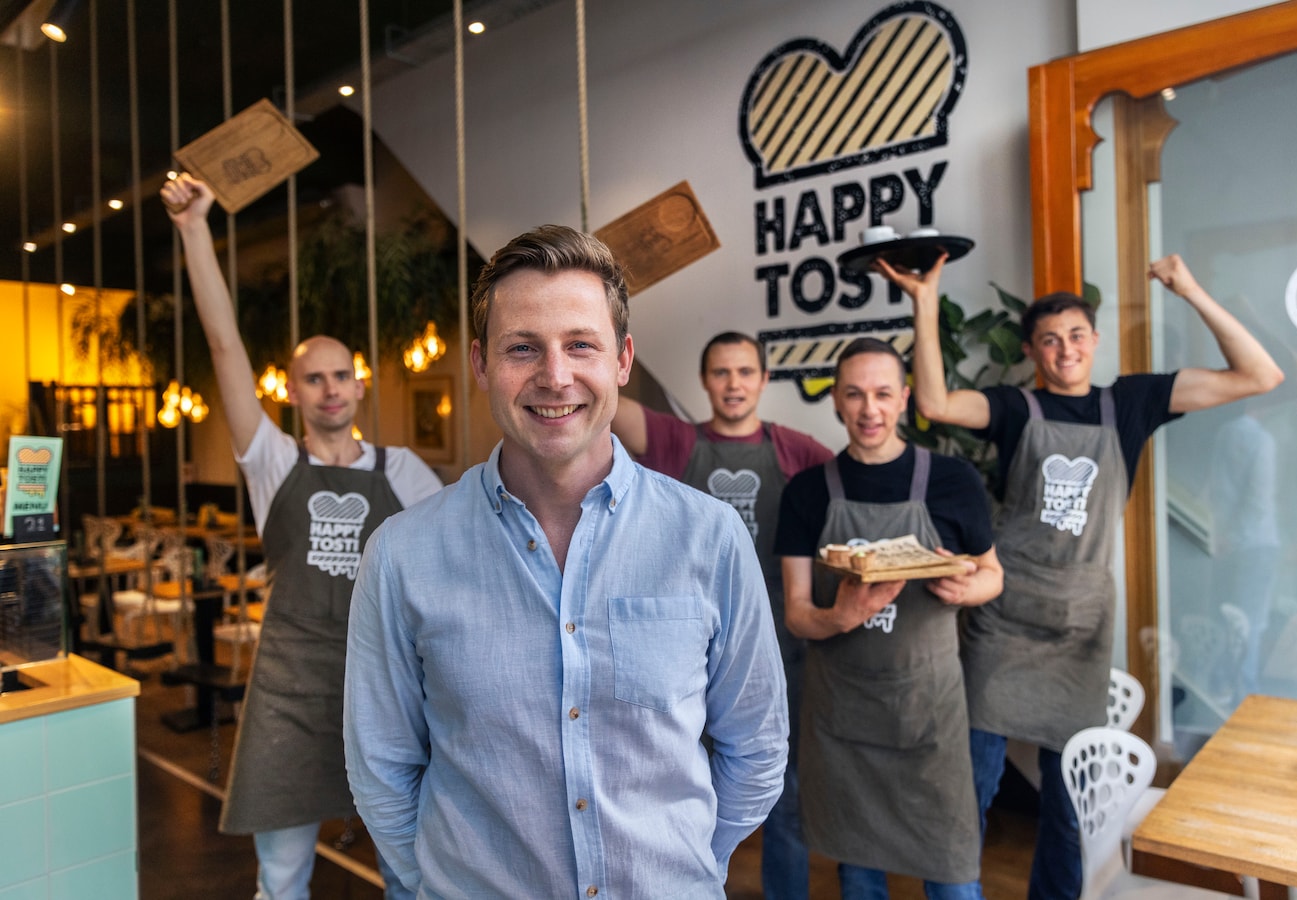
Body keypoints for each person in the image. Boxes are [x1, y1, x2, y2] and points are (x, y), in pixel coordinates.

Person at [343, 224, 789, 898]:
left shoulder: (710, 537)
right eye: (522, 348)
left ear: (621, 360)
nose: (555, 376)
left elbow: (754, 749)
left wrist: (685, 865)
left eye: (580, 344)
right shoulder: (402, 555)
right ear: (480, 364)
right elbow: (382, 764)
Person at [891, 250, 1283, 900]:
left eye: (1075, 336)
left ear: (1093, 341)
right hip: (1003, 619)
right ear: (1031, 351)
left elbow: (1259, 374)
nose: (1064, 349)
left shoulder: (1129, 402)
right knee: (972, 787)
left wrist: (1188, 288)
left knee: (1070, 798)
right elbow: (932, 403)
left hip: (1080, 627)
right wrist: (925, 299)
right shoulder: (1015, 408)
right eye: (1049, 340)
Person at [160, 173, 443, 900]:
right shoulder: (272, 461)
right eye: (313, 378)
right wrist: (195, 227)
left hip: (383, 686)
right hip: (289, 686)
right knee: (282, 878)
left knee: (411, 871)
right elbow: (224, 348)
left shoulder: (404, 471)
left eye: (341, 375)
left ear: (359, 384)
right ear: (292, 392)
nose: (329, 389)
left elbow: (449, 565)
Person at [775, 337, 1004, 899]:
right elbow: (799, 615)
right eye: (854, 394)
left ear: (904, 398)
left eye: (882, 394)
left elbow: (994, 574)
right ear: (836, 400)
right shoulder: (808, 492)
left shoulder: (952, 481)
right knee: (858, 874)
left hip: (929, 712)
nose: (869, 409)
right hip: (844, 716)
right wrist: (840, 615)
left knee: (953, 872)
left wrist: (965, 589)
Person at [611, 331, 832, 899]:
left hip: (778, 649)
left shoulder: (794, 450)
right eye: (721, 373)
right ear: (705, 382)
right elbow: (603, 394)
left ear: (762, 380)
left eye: (744, 372)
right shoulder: (675, 441)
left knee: (780, 790)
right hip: (684, 650)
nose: (733, 384)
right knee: (678, 783)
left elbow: (857, 483)